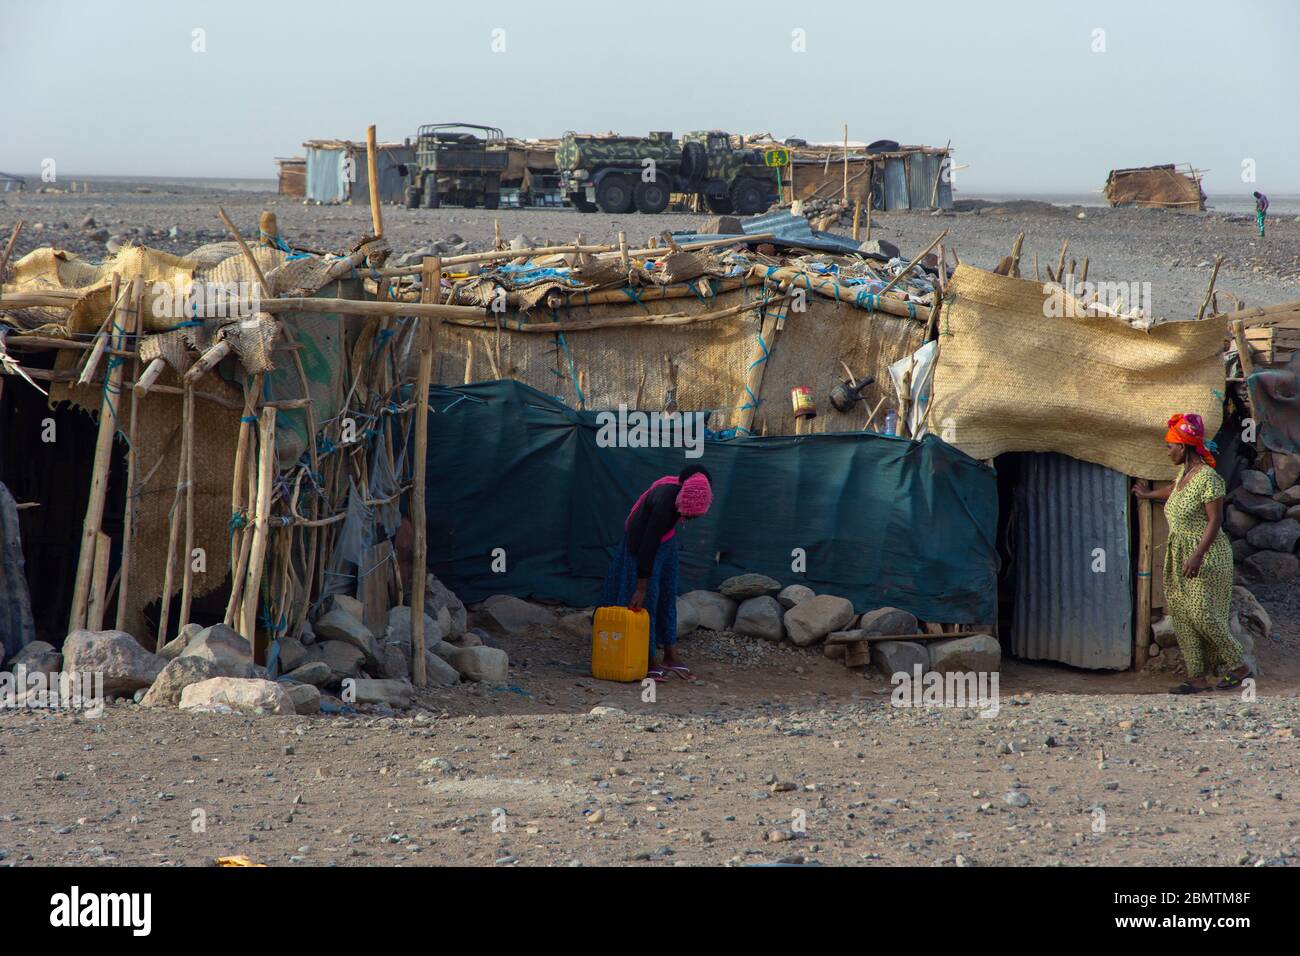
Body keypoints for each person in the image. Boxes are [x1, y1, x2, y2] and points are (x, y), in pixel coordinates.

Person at [1133, 413, 1249, 693]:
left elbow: (1215, 520)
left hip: (1206, 555)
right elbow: (1175, 491)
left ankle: (1239, 665)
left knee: (1202, 614)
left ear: (1183, 447)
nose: (1167, 450)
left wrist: (1197, 555)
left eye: (1170, 445)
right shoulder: (1185, 474)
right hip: (1179, 553)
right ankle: (1196, 676)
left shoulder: (1209, 478)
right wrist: (1148, 495)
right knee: (1183, 617)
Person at [601, 465, 713, 681]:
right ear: (682, 501)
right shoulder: (665, 504)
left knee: (667, 596)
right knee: (647, 603)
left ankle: (671, 656)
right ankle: (649, 659)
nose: (688, 520)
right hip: (640, 545)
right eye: (686, 515)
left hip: (666, 541)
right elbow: (647, 545)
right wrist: (641, 586)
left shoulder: (684, 487)